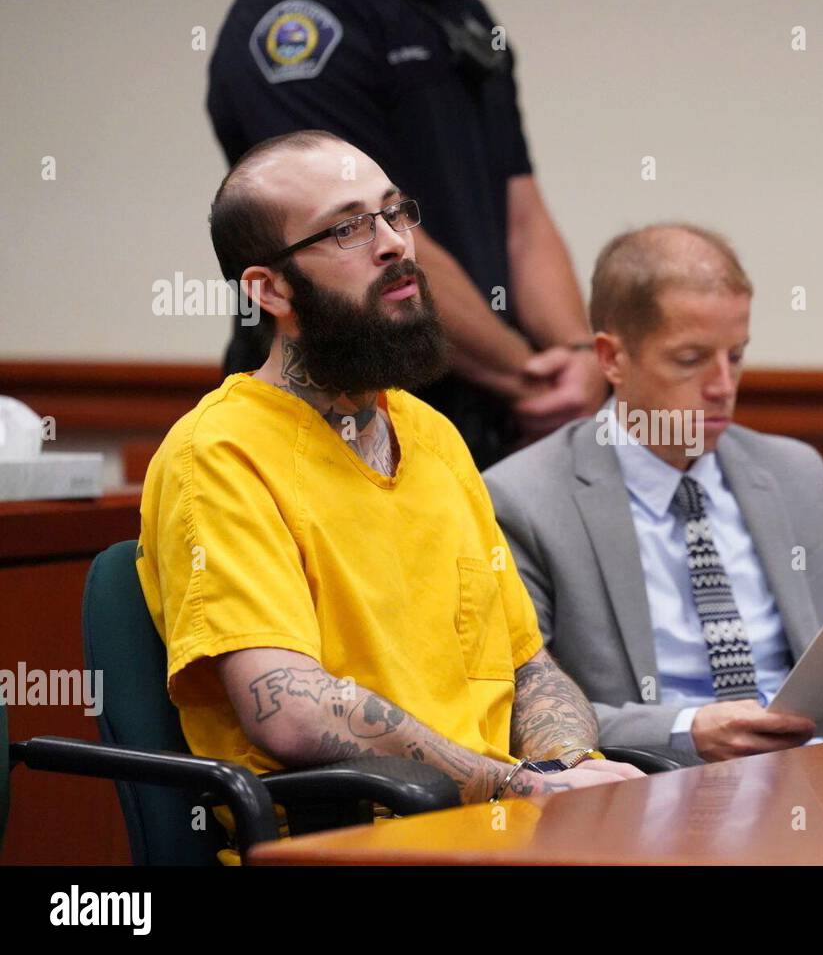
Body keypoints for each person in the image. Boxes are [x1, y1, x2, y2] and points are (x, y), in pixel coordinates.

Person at [136, 131, 642, 829]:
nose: (394, 244)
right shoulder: (218, 453)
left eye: (395, 212)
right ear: (269, 288)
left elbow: (529, 668)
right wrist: (511, 785)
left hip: (507, 828)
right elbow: (288, 708)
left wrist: (568, 768)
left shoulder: (430, 434)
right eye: (348, 228)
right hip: (355, 842)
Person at [483, 224, 823, 761]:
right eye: (691, 360)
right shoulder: (525, 499)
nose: (723, 387)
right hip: (649, 789)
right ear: (612, 358)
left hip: (816, 776)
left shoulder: (794, 475)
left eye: (737, 356)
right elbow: (514, 713)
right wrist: (683, 729)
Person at [207, 0, 605, 468]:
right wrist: (531, 380)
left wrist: (579, 356)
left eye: (399, 214)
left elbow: (523, 217)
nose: (395, 237)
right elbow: (359, 235)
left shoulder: (460, 13)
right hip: (337, 397)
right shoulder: (292, 21)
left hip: (479, 412)